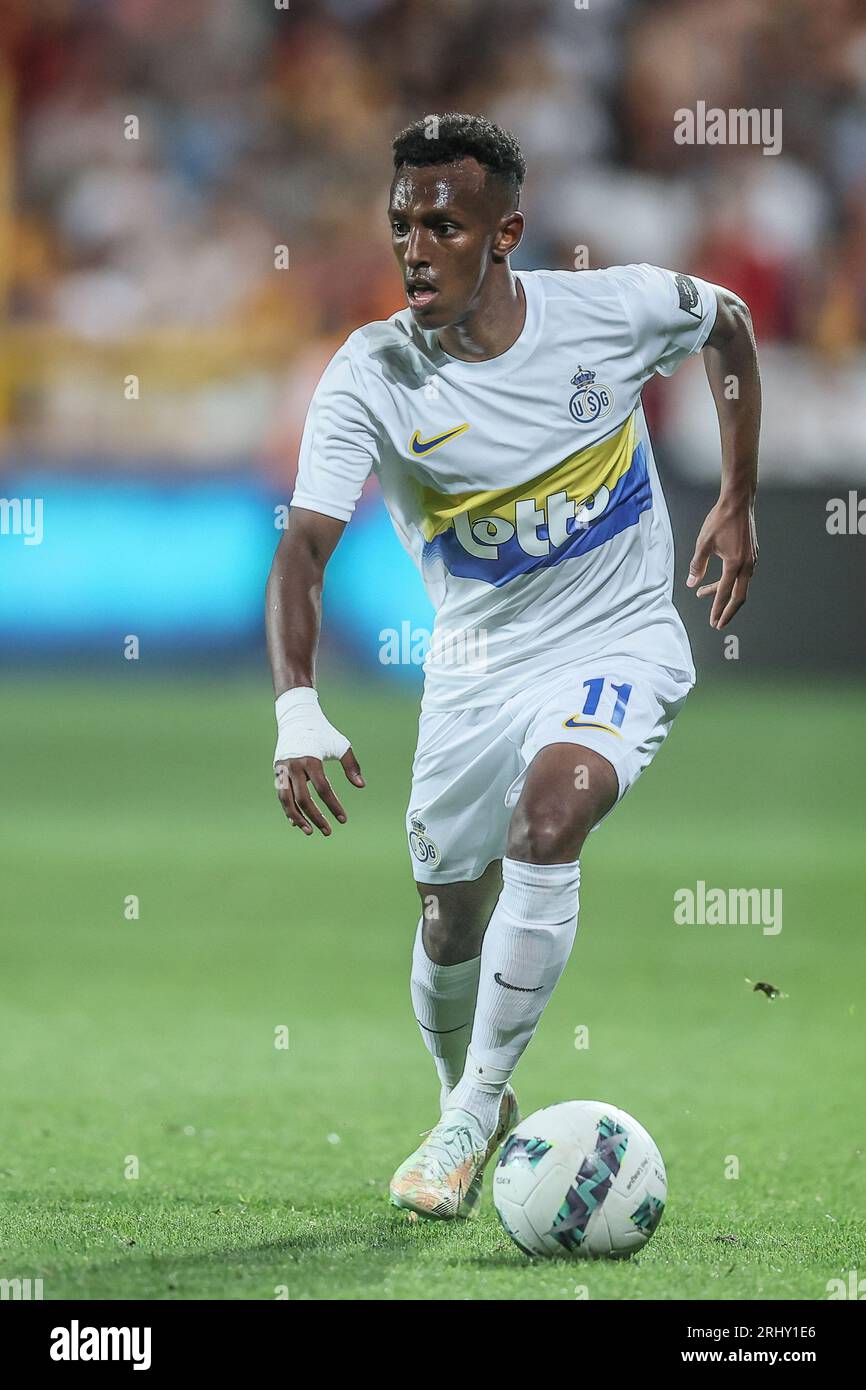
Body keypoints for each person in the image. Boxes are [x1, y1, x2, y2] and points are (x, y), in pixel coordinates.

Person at [265, 113, 759, 1221]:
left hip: (616, 636)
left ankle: (465, 1109)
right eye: (401, 223)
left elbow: (723, 324)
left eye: (443, 223)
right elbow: (301, 546)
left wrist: (736, 490)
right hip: (476, 669)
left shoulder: (606, 312)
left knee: (551, 817)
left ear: (505, 234)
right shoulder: (373, 375)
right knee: (448, 917)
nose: (415, 247)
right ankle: (468, 1097)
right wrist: (297, 706)